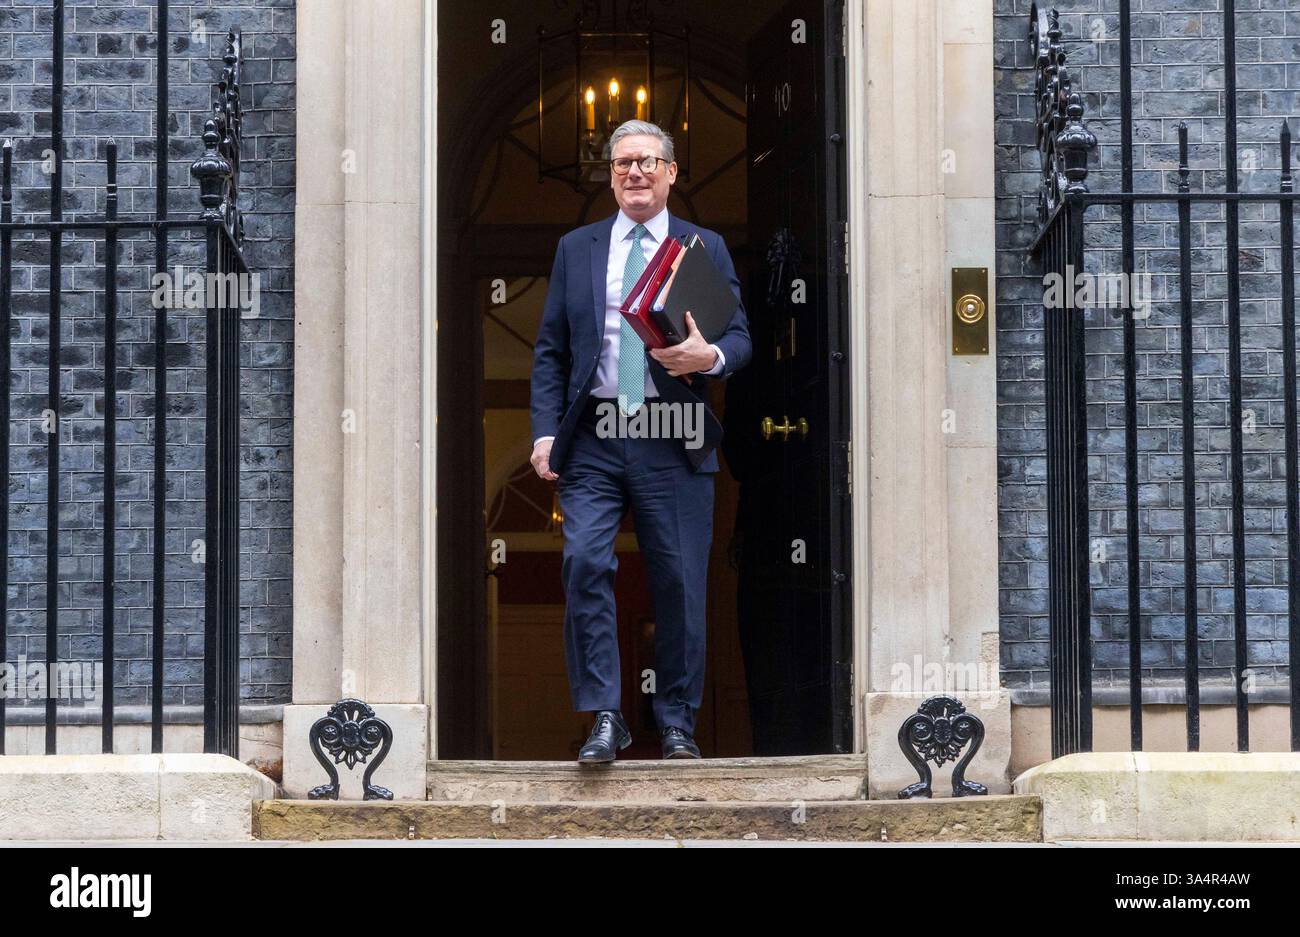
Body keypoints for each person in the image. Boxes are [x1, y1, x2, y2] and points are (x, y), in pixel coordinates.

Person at [529, 119, 751, 762]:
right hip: (597, 432)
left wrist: (707, 359)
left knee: (680, 579)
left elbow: (739, 338)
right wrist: (544, 432)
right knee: (585, 562)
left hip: (672, 431)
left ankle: (676, 720)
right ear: (611, 174)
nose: (635, 173)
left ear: (672, 173)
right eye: (623, 162)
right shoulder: (578, 247)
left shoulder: (700, 245)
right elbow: (550, 350)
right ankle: (605, 714)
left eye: (648, 162)